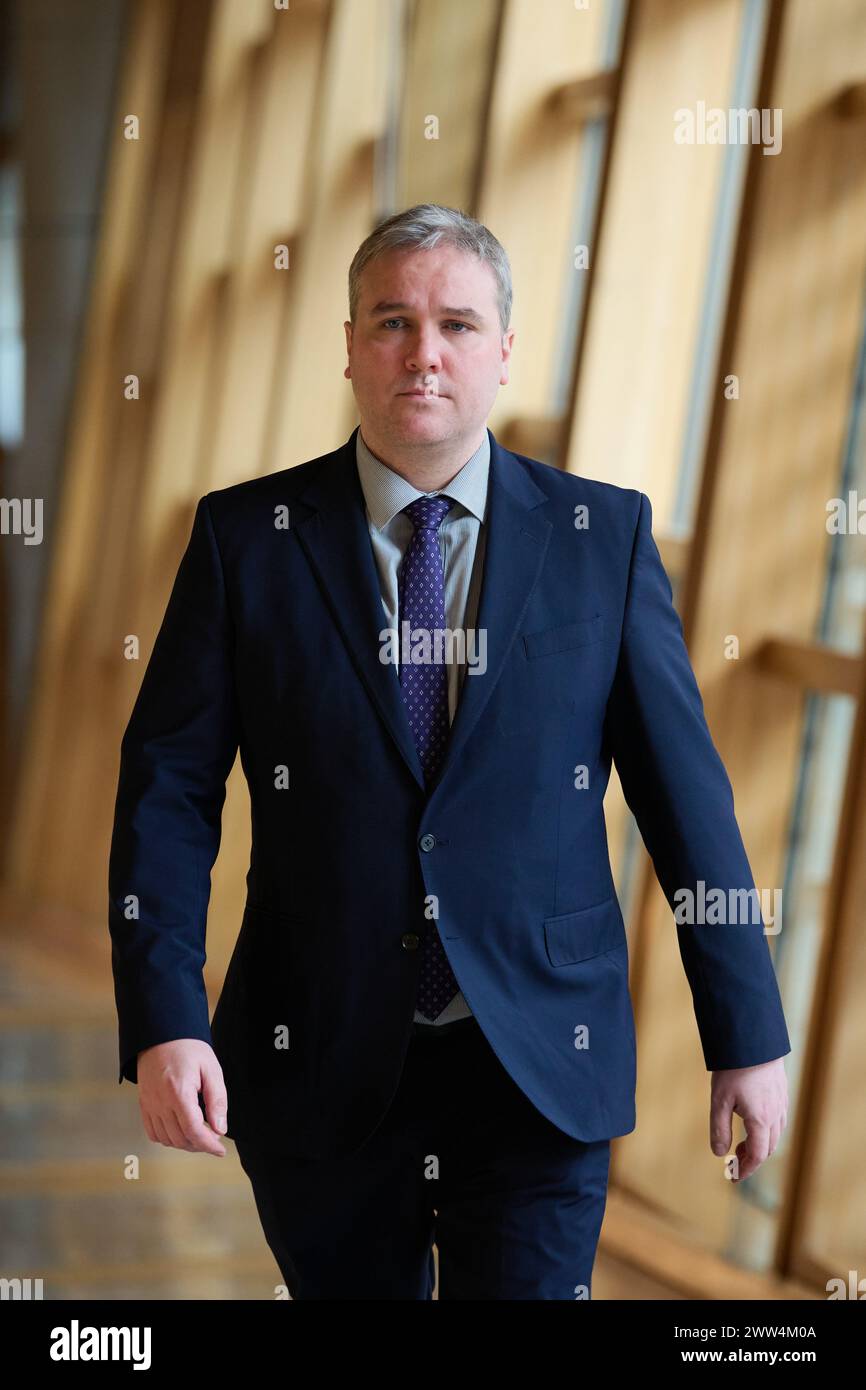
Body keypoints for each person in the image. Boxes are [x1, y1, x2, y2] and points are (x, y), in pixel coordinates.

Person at [108, 202, 790, 1300]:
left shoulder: (599, 539)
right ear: (347, 346)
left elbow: (685, 803)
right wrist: (163, 1019)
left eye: (458, 325)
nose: (423, 352)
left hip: (537, 1061)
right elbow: (167, 793)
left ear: (504, 351)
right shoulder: (247, 542)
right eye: (391, 322)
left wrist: (744, 1034)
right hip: (316, 1054)